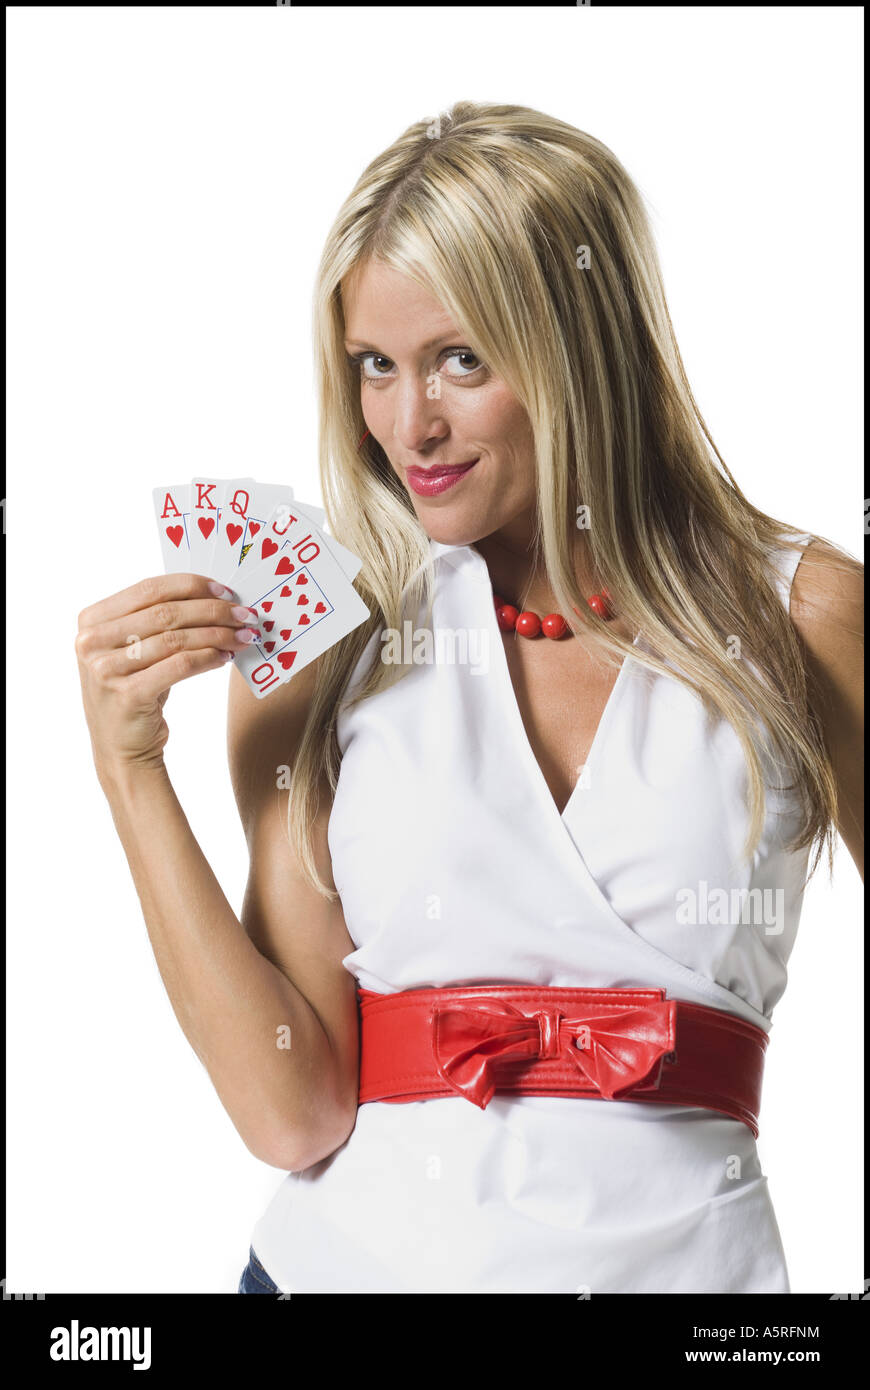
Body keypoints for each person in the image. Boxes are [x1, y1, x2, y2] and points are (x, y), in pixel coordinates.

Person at [76, 101, 863, 1294]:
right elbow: (293, 1114)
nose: (408, 424)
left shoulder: (805, 616)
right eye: (373, 366)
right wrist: (131, 771)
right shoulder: (326, 641)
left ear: (584, 344)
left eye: (461, 359)